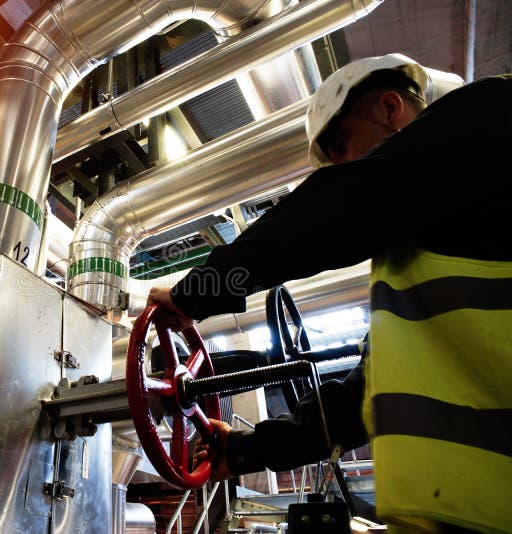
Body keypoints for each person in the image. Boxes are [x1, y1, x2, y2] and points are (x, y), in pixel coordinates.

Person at [148, 54, 512, 533]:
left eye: (342, 146)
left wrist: (200, 292)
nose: (343, 169)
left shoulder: (491, 114)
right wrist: (241, 451)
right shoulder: (424, 261)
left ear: (389, 108)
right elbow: (357, 403)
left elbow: (337, 209)